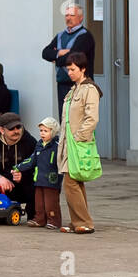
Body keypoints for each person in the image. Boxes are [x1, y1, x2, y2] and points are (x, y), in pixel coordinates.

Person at [59, 51, 101, 233]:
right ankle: (78, 222)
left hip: (78, 144)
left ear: (83, 69)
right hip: (68, 144)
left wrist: (78, 137)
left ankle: (84, 222)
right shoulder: (73, 90)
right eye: (68, 69)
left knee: (70, 182)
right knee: (75, 181)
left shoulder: (89, 89)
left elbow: (92, 118)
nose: (69, 72)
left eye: (73, 69)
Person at [42, 4, 96, 117]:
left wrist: (56, 58)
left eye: (72, 15)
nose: (68, 18)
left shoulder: (85, 36)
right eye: (66, 15)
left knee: (78, 119)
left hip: (80, 85)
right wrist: (61, 52)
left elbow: (72, 58)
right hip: (62, 83)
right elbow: (45, 53)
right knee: (64, 118)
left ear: (81, 18)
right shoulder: (60, 35)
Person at [14, 117, 63, 229]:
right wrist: (19, 167)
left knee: (51, 202)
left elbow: (63, 160)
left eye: (46, 131)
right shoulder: (39, 145)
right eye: (41, 131)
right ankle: (40, 219)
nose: (42, 133)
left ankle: (54, 221)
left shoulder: (57, 146)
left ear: (53, 131)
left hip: (52, 180)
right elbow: (31, 160)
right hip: (39, 179)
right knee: (39, 202)